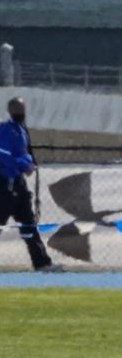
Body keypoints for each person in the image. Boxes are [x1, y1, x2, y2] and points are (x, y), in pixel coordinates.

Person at [0, 98, 61, 272]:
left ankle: (42, 263)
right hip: (5, 186)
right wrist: (22, 166)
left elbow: (24, 153)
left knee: (29, 226)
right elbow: (3, 155)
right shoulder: (5, 130)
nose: (21, 113)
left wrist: (30, 164)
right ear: (11, 110)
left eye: (23, 109)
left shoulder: (21, 131)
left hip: (19, 185)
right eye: (18, 109)